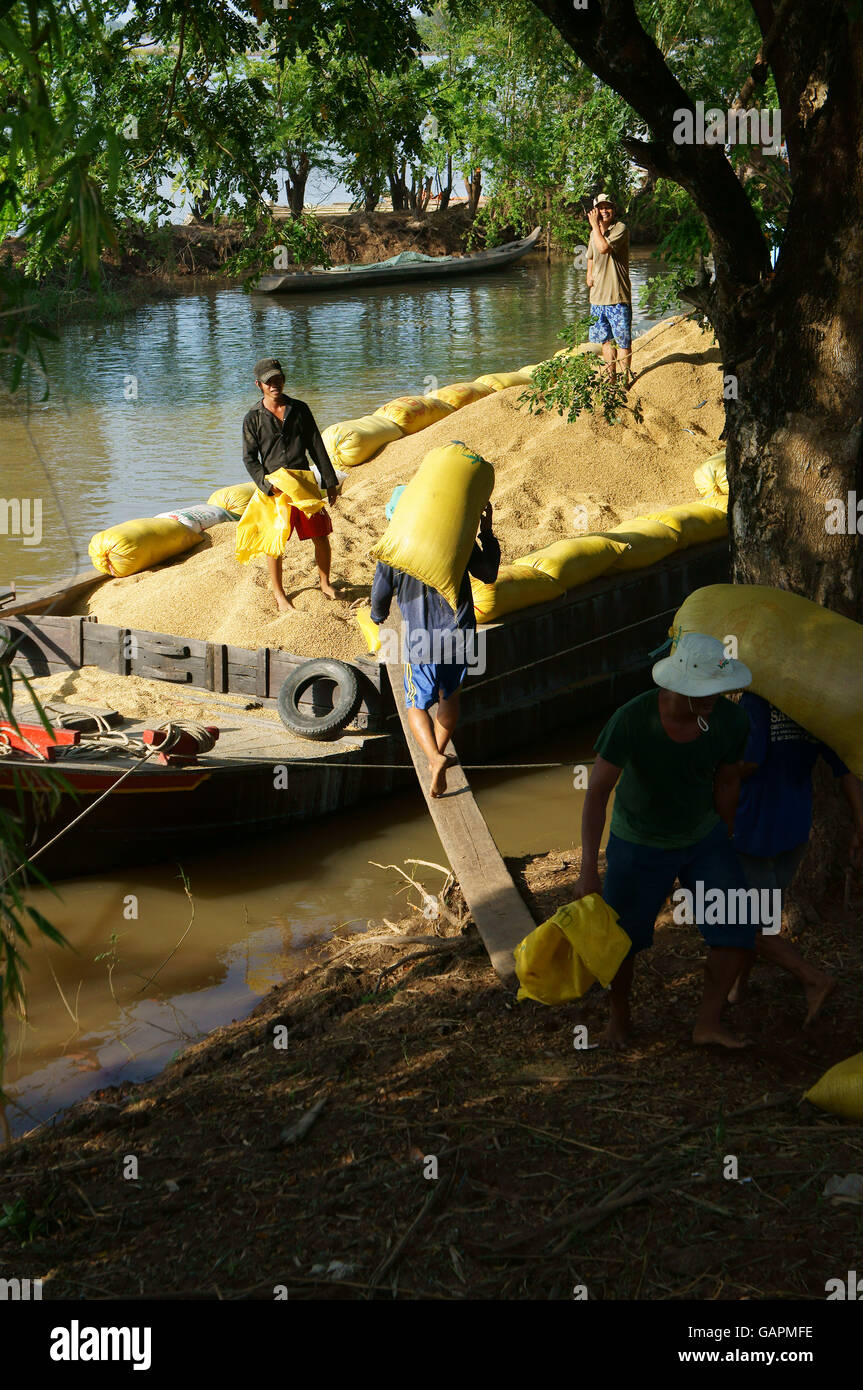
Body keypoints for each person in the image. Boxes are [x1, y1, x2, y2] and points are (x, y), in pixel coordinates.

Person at [572, 633, 756, 1049]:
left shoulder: (731, 721)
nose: (712, 698)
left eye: (717, 690)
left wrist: (725, 835)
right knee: (622, 940)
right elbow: (597, 791)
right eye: (703, 691)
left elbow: (728, 781)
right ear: (677, 684)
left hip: (703, 836)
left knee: (737, 925)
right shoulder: (631, 719)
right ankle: (619, 1020)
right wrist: (588, 868)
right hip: (639, 841)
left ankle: (708, 1022)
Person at [728, 692, 863, 1024]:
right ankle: (738, 986)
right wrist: (861, 824)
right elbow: (845, 770)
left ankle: (814, 980)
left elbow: (748, 763)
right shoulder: (816, 705)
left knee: (743, 924)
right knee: (758, 916)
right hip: (793, 829)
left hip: (752, 828)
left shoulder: (757, 703)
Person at [370, 495, 500, 798]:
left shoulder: (393, 551)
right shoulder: (455, 538)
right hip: (459, 633)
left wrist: (378, 617)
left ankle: (434, 757)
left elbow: (379, 598)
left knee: (415, 705)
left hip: (421, 640)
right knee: (450, 697)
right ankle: (438, 754)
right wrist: (486, 532)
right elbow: (488, 574)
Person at [242, 357, 341, 610]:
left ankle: (325, 583)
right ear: (259, 385)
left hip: (303, 482)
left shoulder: (300, 409)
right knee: (276, 541)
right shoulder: (252, 418)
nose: (275, 385)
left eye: (278, 379)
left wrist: (329, 481)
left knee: (320, 533)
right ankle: (279, 593)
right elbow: (250, 458)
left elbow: (316, 445)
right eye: (269, 382)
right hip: (275, 486)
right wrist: (266, 486)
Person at [585, 193, 633, 387]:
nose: (604, 211)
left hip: (617, 297)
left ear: (614, 210)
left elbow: (604, 248)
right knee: (605, 342)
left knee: (623, 342)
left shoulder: (619, 228)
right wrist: (589, 274)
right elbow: (591, 255)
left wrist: (595, 226)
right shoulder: (592, 234)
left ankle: (624, 381)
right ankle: (610, 380)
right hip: (597, 299)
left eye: (608, 207)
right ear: (595, 210)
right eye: (601, 207)